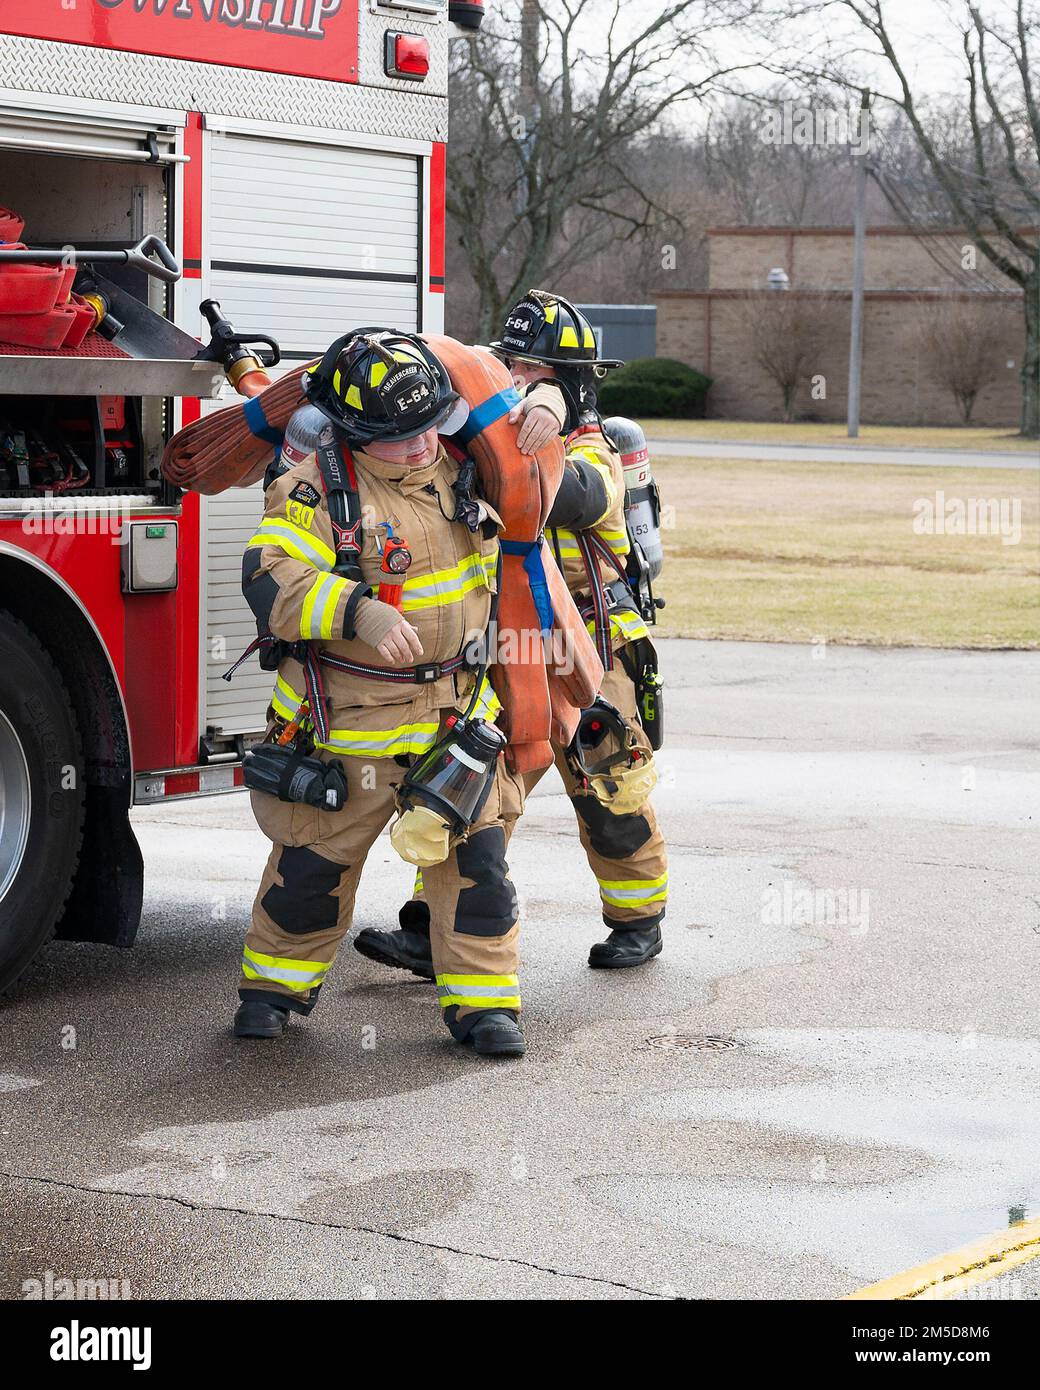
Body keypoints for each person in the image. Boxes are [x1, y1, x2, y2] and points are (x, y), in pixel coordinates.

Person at [354, 291, 667, 978]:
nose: (521, 381)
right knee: (474, 788)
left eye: (539, 372)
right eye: (513, 367)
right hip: (513, 646)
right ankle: (436, 930)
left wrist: (547, 422)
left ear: (571, 379)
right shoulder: (485, 448)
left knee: (606, 784)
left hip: (595, 648)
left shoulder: (596, 449)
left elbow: (577, 496)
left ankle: (638, 918)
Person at [233, 329, 528, 1056]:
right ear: (355, 433)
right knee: (310, 873)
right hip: (349, 726)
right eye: (399, 438)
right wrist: (355, 610)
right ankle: (271, 994)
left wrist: (548, 400)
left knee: (477, 873)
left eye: (431, 427)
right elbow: (267, 577)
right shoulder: (313, 491)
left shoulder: (464, 466)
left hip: (452, 724)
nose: (421, 446)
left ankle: (485, 1010)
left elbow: (548, 449)